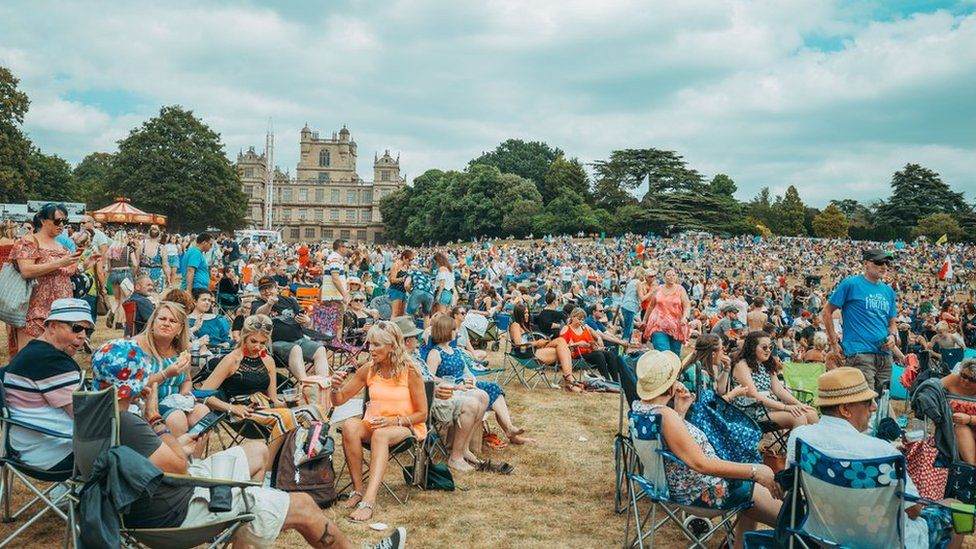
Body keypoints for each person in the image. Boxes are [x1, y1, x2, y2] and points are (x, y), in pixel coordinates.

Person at [91, 338, 406, 549]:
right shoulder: (130, 421)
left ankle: (254, 510)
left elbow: (168, 459)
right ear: (132, 385)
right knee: (304, 506)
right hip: (176, 509)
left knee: (256, 450)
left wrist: (180, 440)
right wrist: (155, 418)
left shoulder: (95, 412)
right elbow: (180, 468)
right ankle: (256, 510)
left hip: (147, 499)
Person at [787, 367, 960, 549]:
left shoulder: (800, 438)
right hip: (886, 543)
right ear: (845, 409)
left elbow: (792, 488)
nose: (874, 407)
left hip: (823, 537)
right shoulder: (882, 452)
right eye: (868, 402)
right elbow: (914, 511)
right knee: (954, 507)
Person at [632, 350, 781, 549]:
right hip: (699, 494)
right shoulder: (664, 415)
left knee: (754, 491)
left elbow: (670, 447)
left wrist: (681, 412)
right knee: (788, 517)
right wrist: (754, 471)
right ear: (670, 383)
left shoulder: (641, 411)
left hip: (674, 486)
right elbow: (700, 463)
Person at [331, 321, 428, 522]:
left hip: (405, 425)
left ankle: (369, 501)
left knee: (381, 435)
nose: (370, 349)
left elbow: (422, 414)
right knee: (350, 425)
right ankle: (358, 490)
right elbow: (339, 400)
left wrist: (394, 420)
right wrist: (334, 388)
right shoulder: (369, 369)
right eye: (370, 344)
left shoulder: (410, 371)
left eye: (376, 345)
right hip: (375, 424)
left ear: (392, 346)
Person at [200, 315, 328, 441]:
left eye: (263, 343)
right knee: (286, 417)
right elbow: (203, 394)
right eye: (253, 341)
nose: (258, 346)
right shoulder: (232, 360)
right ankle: (274, 461)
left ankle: (309, 455)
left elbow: (273, 400)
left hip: (267, 408)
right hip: (243, 414)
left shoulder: (268, 361)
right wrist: (232, 408)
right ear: (244, 338)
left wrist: (288, 403)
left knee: (315, 410)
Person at [393, 316, 493, 473]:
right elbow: (410, 388)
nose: (419, 339)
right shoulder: (401, 361)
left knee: (483, 396)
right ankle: (455, 457)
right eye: (414, 336)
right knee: (472, 403)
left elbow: (428, 378)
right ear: (406, 341)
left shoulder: (415, 354)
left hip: (434, 393)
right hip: (426, 401)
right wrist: (437, 389)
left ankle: (464, 448)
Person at [1, 298, 92, 472]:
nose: (82, 336)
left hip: (28, 447)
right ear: (52, 327)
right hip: (54, 452)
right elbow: (86, 417)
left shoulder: (33, 353)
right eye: (76, 328)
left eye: (87, 330)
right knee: (128, 435)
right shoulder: (51, 362)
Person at [428, 314, 532, 444]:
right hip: (453, 388)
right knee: (487, 393)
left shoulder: (455, 351)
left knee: (494, 389)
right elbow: (431, 377)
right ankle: (510, 433)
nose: (456, 332)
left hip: (466, 384)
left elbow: (466, 371)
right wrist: (456, 385)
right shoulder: (435, 353)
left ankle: (510, 428)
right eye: (454, 329)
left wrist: (472, 380)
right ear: (446, 331)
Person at [132, 301, 210, 455]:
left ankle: (195, 465)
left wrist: (184, 395)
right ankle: (175, 466)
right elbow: (133, 386)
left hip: (173, 402)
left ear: (180, 329)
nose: (166, 324)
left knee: (203, 412)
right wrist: (165, 374)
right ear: (153, 322)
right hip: (145, 405)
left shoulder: (180, 349)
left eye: (172, 321)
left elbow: (187, 380)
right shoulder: (138, 345)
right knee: (177, 417)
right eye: (162, 319)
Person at [822, 247, 898, 396]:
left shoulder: (889, 291)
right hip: (859, 353)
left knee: (883, 400)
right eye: (878, 262)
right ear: (866, 264)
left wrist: (893, 336)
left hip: (884, 355)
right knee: (864, 401)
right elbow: (826, 312)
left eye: (886, 263)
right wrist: (834, 344)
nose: (884, 266)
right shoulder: (850, 284)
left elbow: (892, 322)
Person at [10, 203, 82, 353]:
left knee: (57, 358)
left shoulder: (62, 246)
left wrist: (86, 264)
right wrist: (60, 262)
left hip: (61, 311)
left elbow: (65, 272)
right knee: (31, 359)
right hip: (35, 311)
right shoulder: (29, 242)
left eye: (64, 221)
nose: (61, 225)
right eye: (57, 221)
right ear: (43, 221)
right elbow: (27, 271)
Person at [730, 331, 818, 428]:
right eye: (764, 347)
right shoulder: (742, 365)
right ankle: (795, 443)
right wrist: (785, 407)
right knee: (799, 416)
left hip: (769, 407)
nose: (768, 350)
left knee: (811, 413)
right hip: (751, 411)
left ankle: (812, 443)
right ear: (752, 348)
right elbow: (754, 395)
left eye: (770, 347)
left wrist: (799, 404)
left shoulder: (766, 364)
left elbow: (779, 390)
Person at [250, 275, 329, 379]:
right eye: (263, 289)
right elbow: (258, 315)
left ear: (276, 288)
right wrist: (269, 304)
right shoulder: (257, 304)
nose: (267, 291)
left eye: (269, 288)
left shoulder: (289, 301)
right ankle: (304, 383)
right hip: (275, 345)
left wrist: (307, 321)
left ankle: (323, 383)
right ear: (260, 292)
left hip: (299, 339)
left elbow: (304, 320)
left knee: (320, 349)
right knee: (295, 349)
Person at [508, 304, 585, 393]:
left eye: (528, 313)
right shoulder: (515, 325)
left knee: (561, 341)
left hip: (534, 350)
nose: (527, 315)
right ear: (518, 314)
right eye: (524, 313)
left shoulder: (525, 325)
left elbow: (530, 342)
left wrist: (542, 342)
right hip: (525, 354)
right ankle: (568, 379)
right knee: (562, 349)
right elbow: (518, 344)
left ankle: (569, 378)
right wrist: (536, 343)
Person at [560, 307, 624, 383]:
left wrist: (595, 346)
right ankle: (607, 381)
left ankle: (617, 381)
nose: (580, 321)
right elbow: (561, 347)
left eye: (582, 320)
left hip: (588, 352)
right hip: (576, 354)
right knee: (599, 355)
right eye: (579, 319)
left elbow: (591, 343)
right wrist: (577, 344)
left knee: (610, 354)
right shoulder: (566, 328)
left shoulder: (584, 328)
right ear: (572, 317)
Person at [642, 268, 691, 355]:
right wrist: (645, 320)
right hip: (658, 324)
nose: (671, 277)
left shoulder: (680, 289)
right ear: (664, 278)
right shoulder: (658, 289)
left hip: (676, 325)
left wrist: (685, 317)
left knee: (674, 354)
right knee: (663, 352)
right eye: (668, 275)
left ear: (676, 277)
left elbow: (687, 305)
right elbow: (651, 306)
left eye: (673, 275)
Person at [312, 238, 350, 338]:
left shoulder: (334, 258)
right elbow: (335, 278)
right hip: (334, 297)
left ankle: (333, 345)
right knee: (338, 323)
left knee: (331, 324)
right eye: (346, 247)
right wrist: (344, 294)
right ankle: (337, 345)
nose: (348, 249)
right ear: (340, 247)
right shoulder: (335, 258)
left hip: (331, 296)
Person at [940, 358, 976, 464]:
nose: (965, 380)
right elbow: (933, 387)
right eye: (964, 376)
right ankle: (971, 470)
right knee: (961, 429)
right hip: (959, 428)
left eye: (972, 379)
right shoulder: (954, 379)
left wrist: (969, 419)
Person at [104, 230, 136, 330]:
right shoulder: (128, 249)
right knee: (125, 300)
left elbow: (108, 267)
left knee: (117, 299)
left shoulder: (111, 249)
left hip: (113, 274)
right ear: (124, 238)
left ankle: (112, 312)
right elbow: (135, 264)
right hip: (125, 273)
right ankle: (120, 322)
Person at [188, 288, 232, 353]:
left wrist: (226, 344)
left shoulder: (218, 318)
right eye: (204, 300)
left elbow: (226, 338)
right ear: (195, 301)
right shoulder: (187, 320)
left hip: (220, 351)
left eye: (209, 300)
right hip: (199, 353)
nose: (207, 303)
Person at [135, 224, 170, 293]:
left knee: (143, 296)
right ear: (159, 235)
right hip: (156, 275)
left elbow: (136, 264)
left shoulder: (141, 246)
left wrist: (133, 274)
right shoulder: (162, 248)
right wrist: (168, 277)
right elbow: (165, 265)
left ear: (149, 233)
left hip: (143, 275)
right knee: (155, 296)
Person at [387, 249, 413, 318]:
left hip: (403, 291)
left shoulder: (406, 266)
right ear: (404, 258)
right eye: (409, 260)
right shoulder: (396, 265)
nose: (410, 262)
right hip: (395, 290)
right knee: (395, 313)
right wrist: (401, 279)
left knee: (401, 314)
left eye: (412, 260)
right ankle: (392, 328)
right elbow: (392, 279)